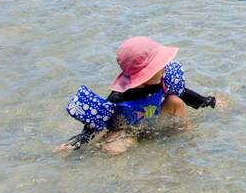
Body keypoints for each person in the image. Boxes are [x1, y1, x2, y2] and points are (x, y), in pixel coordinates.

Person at [56, 36, 216, 155]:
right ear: (145, 75)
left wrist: (210, 101)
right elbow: (94, 125)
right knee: (113, 149)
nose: (164, 68)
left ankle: (187, 131)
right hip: (129, 130)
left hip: (152, 121)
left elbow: (184, 93)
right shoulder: (119, 98)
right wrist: (74, 145)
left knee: (175, 101)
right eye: (159, 66)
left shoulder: (162, 81)